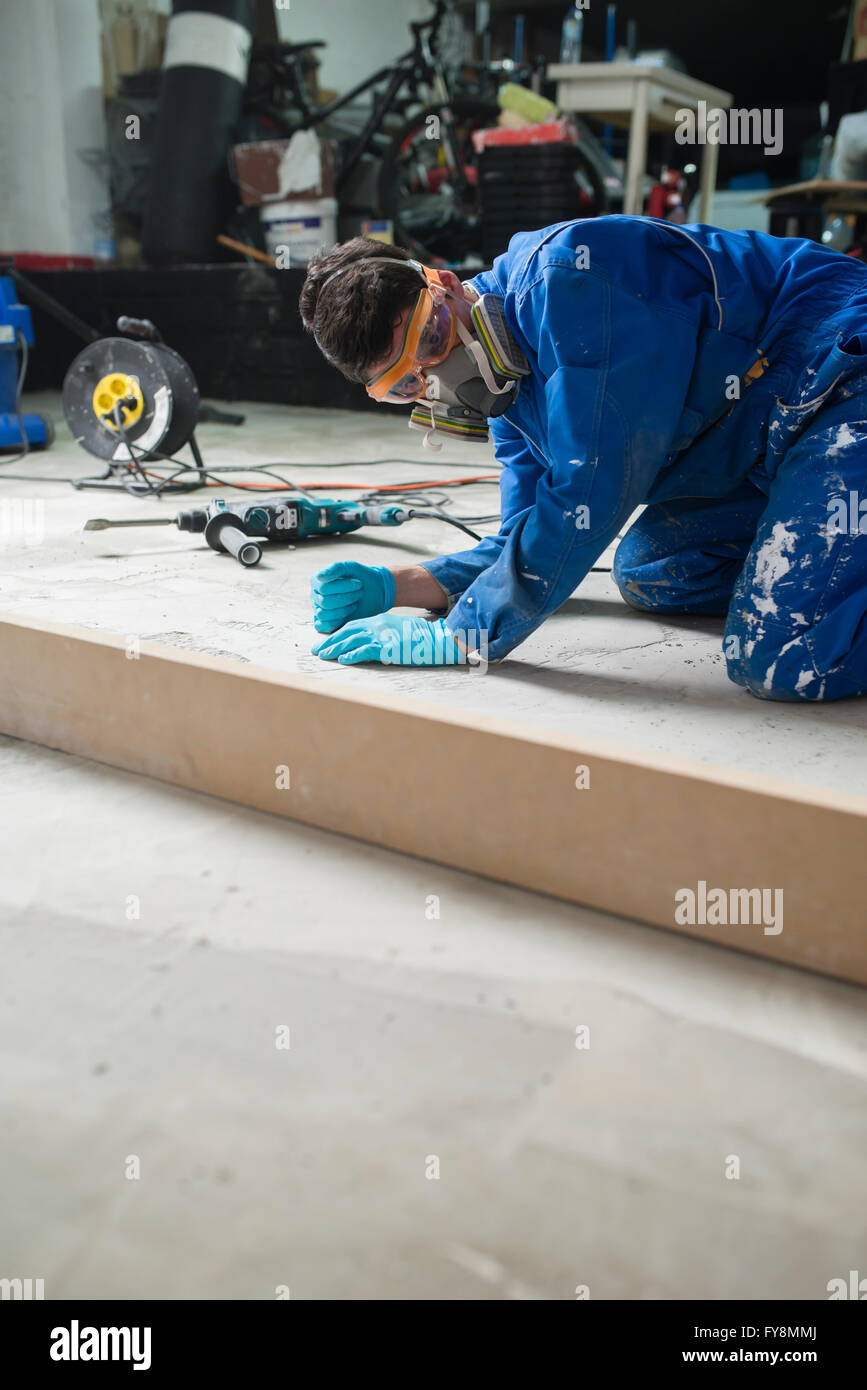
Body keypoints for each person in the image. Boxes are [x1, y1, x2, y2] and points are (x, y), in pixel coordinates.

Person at [298, 219, 867, 700]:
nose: (435, 377)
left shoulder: (570, 285)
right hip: (767, 435)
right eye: (403, 384)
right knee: (655, 574)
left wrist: (464, 634)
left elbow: (585, 494)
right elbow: (529, 531)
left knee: (785, 651)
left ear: (444, 284)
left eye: (429, 338)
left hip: (839, 376)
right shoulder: (510, 390)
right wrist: (403, 584)